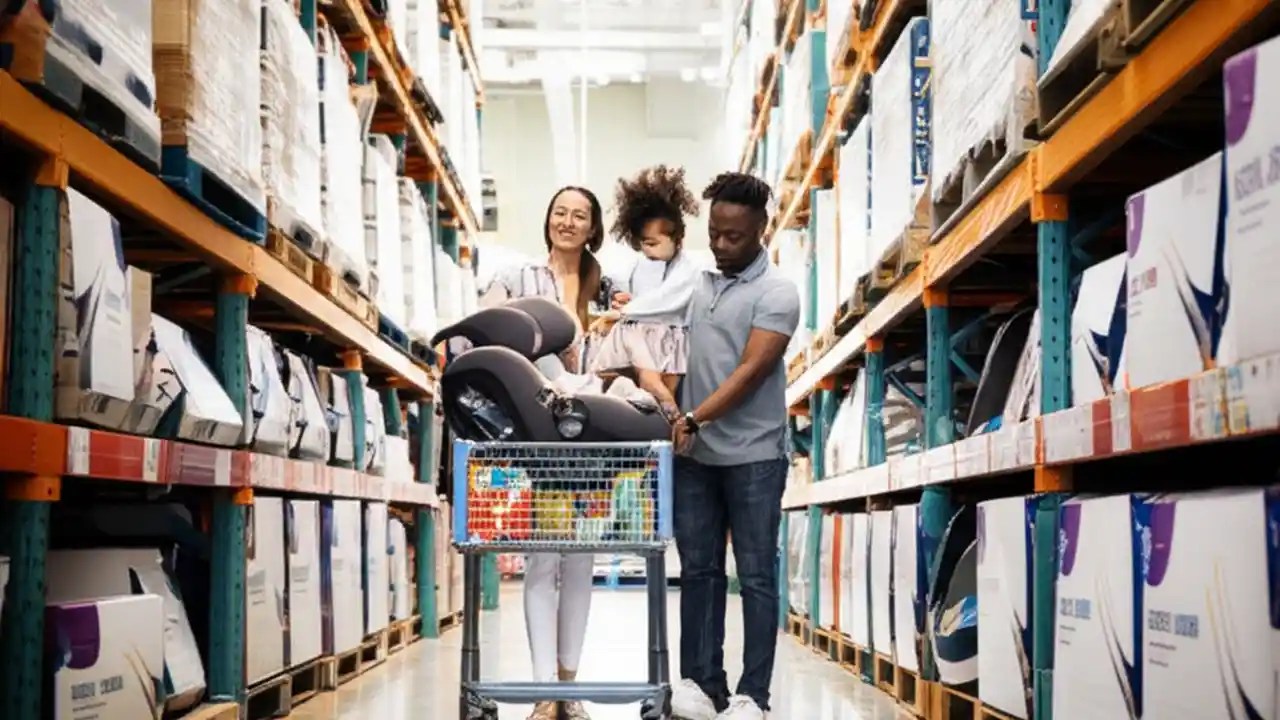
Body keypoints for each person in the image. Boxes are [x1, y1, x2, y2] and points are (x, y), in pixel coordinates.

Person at [667, 172, 800, 720]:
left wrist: (695, 417)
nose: (721, 246)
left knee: (756, 574)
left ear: (761, 231)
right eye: (715, 234)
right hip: (696, 458)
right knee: (698, 571)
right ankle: (702, 685)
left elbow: (750, 371)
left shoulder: (778, 293)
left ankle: (754, 696)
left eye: (734, 237)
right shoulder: (696, 284)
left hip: (755, 456)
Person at [479, 185, 609, 720]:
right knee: (541, 560)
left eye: (580, 215)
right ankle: (542, 695)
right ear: (547, 219)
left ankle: (568, 688)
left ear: (593, 228)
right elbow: (483, 329)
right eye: (560, 212)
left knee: (581, 560)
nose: (568, 222)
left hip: (592, 439)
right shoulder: (518, 277)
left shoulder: (609, 288)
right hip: (538, 438)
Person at [589, 165, 701, 418]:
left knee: (645, 333)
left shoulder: (691, 268)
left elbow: (668, 299)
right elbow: (637, 299)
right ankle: (657, 393)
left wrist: (628, 310)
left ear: (678, 238)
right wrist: (624, 302)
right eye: (642, 244)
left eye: (653, 243)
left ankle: (664, 405)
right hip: (644, 344)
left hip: (674, 341)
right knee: (632, 333)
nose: (647, 250)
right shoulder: (642, 265)